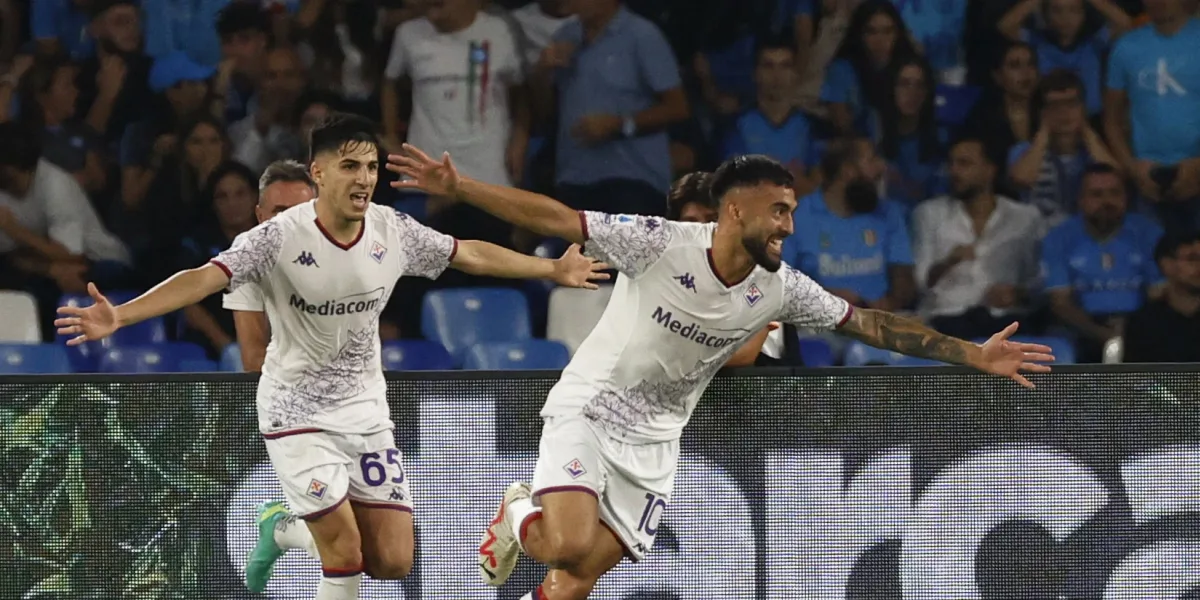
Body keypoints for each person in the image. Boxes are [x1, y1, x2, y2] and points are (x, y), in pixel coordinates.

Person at [387, 144, 1055, 600]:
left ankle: (524, 534)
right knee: (563, 546)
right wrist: (461, 186)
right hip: (592, 408)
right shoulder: (657, 242)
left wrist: (971, 353)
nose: (789, 227)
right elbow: (558, 217)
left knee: (580, 578)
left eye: (792, 212)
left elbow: (869, 324)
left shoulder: (781, 288)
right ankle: (521, 512)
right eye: (780, 211)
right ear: (737, 210)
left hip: (656, 439)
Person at [54, 113, 610, 600]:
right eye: (350, 166)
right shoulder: (277, 237)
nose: (364, 178)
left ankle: (281, 526)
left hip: (364, 412)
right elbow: (202, 279)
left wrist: (550, 269)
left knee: (393, 561)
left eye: (370, 166)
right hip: (295, 412)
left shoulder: (392, 230)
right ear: (318, 173)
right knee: (343, 551)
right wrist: (122, 316)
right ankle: (302, 528)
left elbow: (470, 256)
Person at [224, 159, 317, 373]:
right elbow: (254, 361)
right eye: (281, 212)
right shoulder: (247, 254)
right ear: (260, 217)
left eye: (301, 212)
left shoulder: (343, 250)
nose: (292, 222)